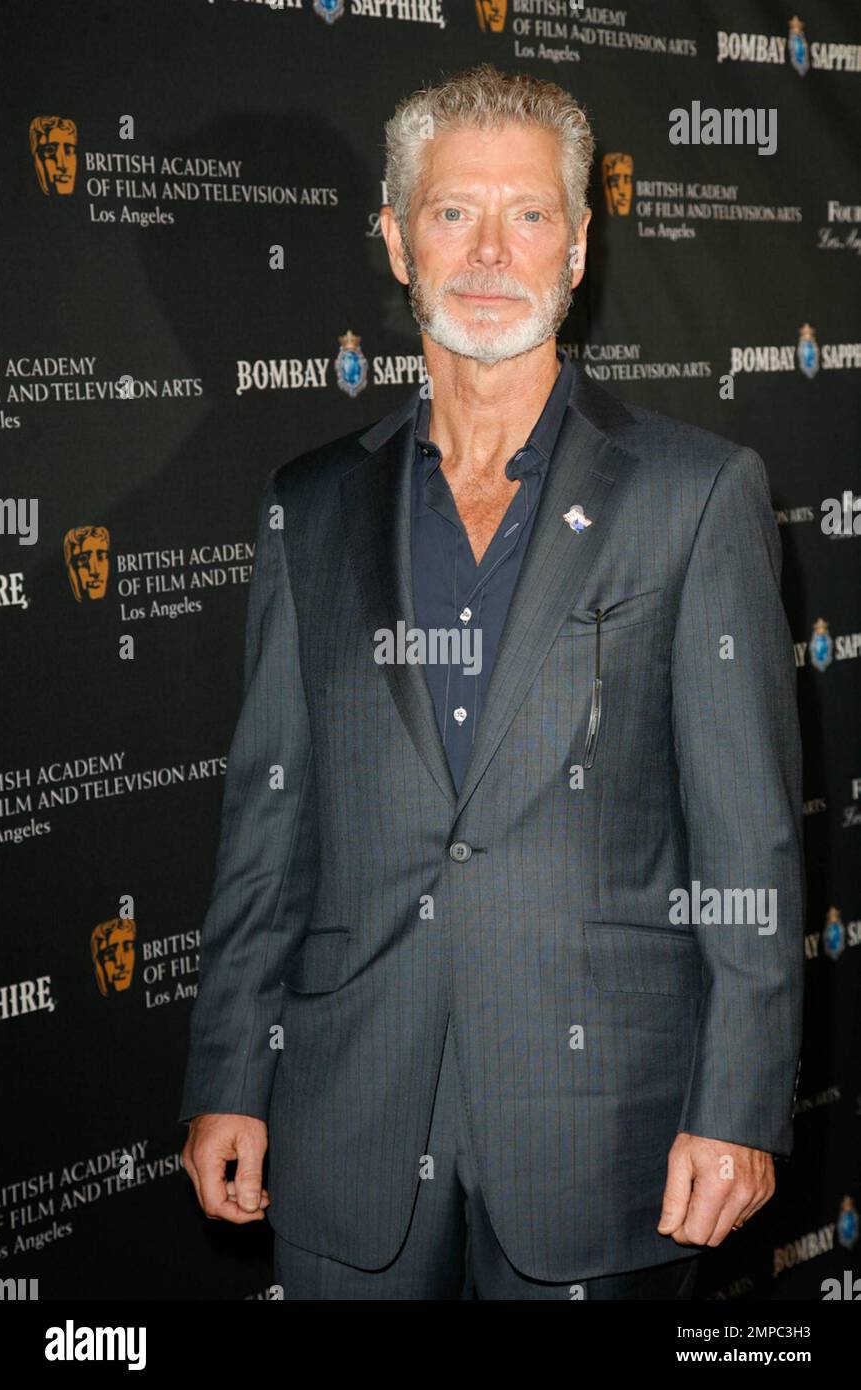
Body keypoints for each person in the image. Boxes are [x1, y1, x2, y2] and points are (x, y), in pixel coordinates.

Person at [180, 63, 804, 1301]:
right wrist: (227, 1075)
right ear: (395, 240)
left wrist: (737, 1104)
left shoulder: (695, 493)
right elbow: (269, 821)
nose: (487, 251)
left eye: (527, 215)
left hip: (606, 1121)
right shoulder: (310, 507)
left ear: (577, 247)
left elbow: (747, 840)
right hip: (346, 1112)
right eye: (451, 212)